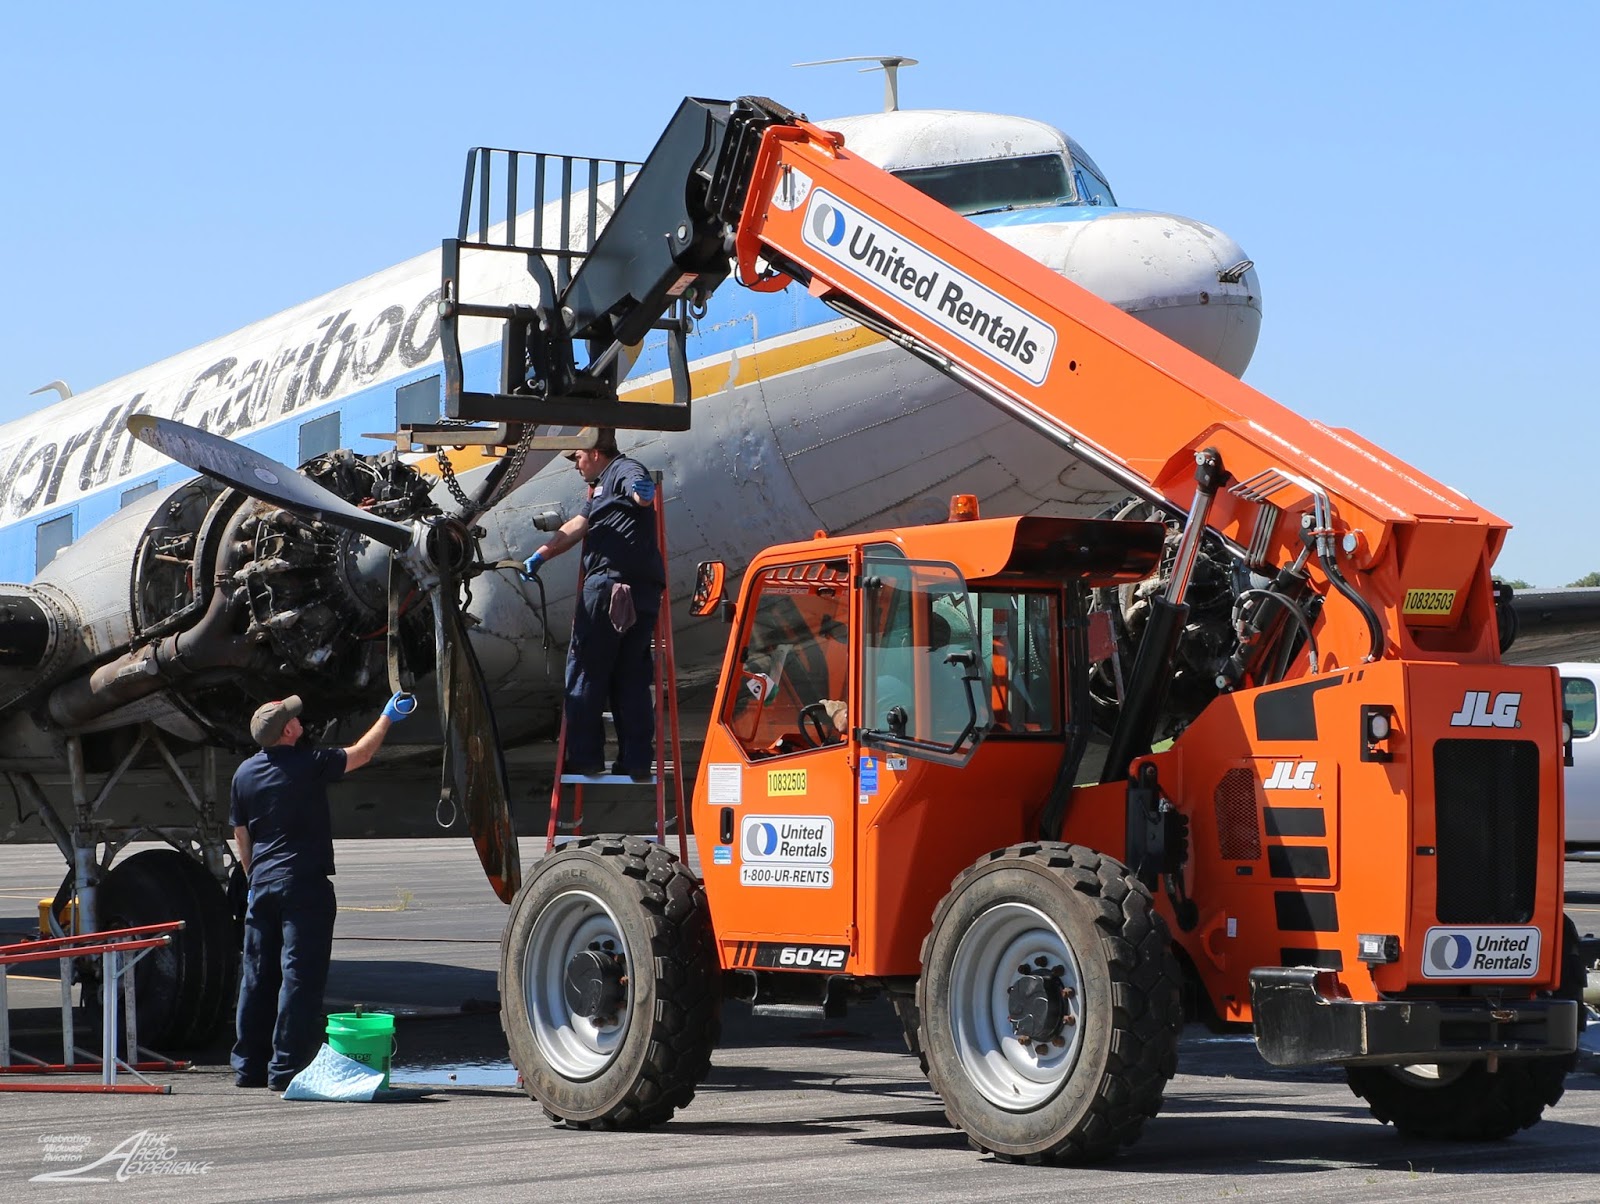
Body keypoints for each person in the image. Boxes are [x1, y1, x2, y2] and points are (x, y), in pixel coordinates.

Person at [230, 690, 415, 1090]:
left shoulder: (243, 773)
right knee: (299, 975)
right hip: (302, 884)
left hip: (261, 884)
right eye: (295, 719)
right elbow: (361, 754)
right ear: (288, 731)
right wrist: (387, 717)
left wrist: (251, 878)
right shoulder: (308, 764)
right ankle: (287, 1067)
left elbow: (241, 833)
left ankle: (248, 1067)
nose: (301, 721)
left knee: (256, 976)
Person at [523, 429, 664, 777]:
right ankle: (635, 762)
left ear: (595, 452)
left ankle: (585, 758)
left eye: (578, 458)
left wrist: (642, 494)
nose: (576, 465)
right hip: (642, 593)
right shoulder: (601, 489)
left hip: (609, 590)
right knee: (630, 677)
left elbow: (639, 488)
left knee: (585, 671)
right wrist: (541, 554)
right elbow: (577, 525)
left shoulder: (623, 469)